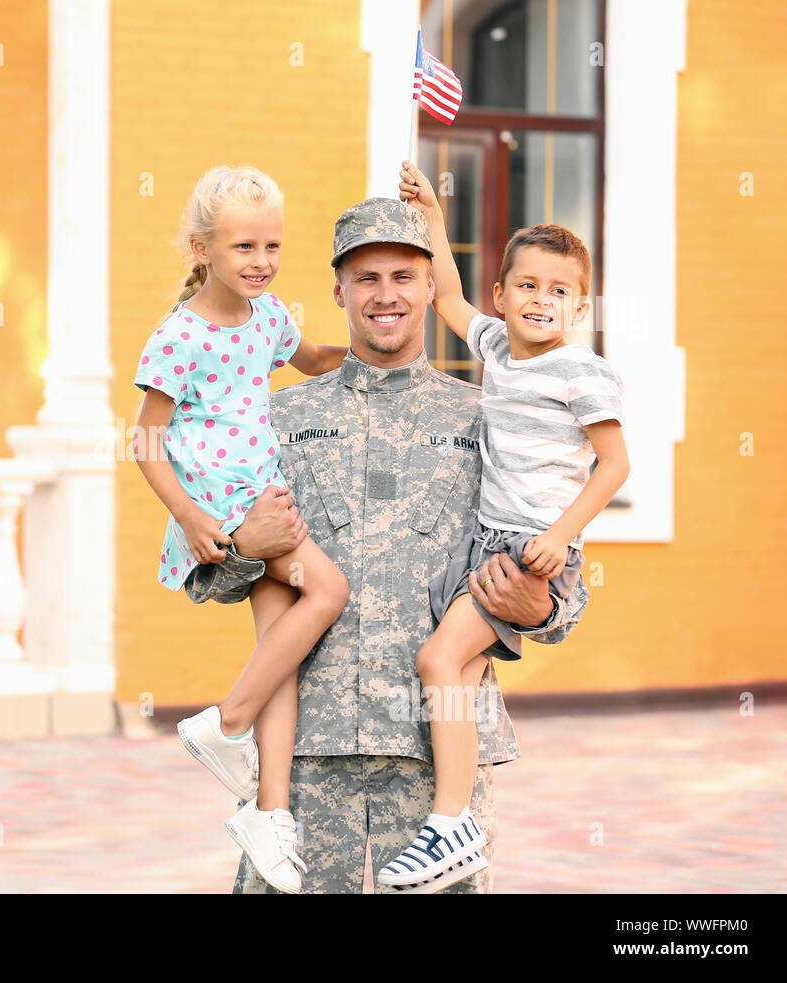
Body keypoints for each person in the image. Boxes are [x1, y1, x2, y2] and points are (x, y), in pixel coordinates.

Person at [184, 195, 590, 894]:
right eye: (366, 277)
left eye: (404, 276)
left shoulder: (493, 415)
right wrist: (241, 543)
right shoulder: (277, 416)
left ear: (433, 286)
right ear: (338, 289)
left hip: (439, 773)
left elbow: (561, 588)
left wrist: (537, 604)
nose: (385, 295)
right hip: (307, 762)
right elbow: (207, 571)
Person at [366, 162, 629, 891]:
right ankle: (457, 820)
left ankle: (452, 823)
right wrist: (433, 217)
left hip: (529, 548)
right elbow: (445, 293)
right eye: (528, 285)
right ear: (503, 295)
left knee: (439, 663)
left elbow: (615, 464)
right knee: (457, 677)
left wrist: (561, 532)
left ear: (579, 308)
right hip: (484, 542)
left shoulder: (581, 371)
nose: (541, 300)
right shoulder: (498, 350)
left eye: (560, 291)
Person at [132, 165, 350, 893]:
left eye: (272, 246)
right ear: (201, 249)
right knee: (329, 589)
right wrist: (190, 517)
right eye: (243, 247)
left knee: (280, 651)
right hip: (224, 504)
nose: (260, 261)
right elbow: (146, 439)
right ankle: (225, 722)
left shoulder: (270, 319)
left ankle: (270, 810)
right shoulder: (178, 337)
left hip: (265, 488)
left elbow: (314, 360)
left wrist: (385, 348)